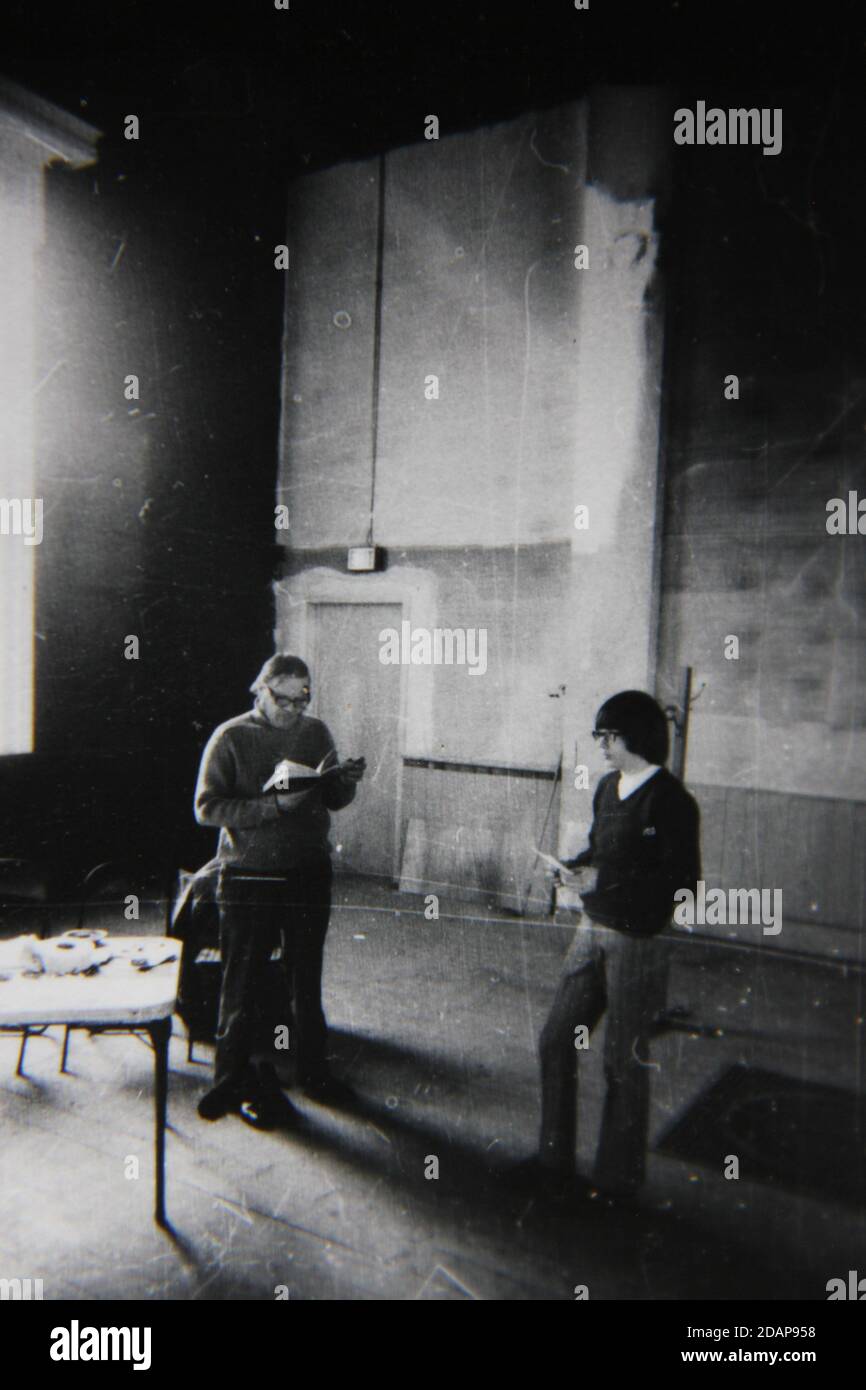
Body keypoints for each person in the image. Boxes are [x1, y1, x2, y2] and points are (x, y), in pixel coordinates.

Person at [532, 689, 700, 1200]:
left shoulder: (671, 801)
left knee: (622, 1060)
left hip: (638, 941)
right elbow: (602, 850)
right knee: (556, 1039)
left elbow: (681, 883)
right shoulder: (608, 787)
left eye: (610, 735)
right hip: (593, 930)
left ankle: (617, 1185)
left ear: (640, 737)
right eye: (599, 735)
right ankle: (553, 1161)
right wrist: (575, 866)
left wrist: (601, 882)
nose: (602, 744)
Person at [193, 653, 365, 1129]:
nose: (294, 709)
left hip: (307, 871)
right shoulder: (232, 736)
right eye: (283, 698)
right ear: (260, 690)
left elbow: (332, 798)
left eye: (302, 698)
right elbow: (206, 808)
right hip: (250, 876)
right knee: (242, 982)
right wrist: (273, 807)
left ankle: (313, 1072)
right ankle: (230, 1079)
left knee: (305, 978)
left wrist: (344, 785)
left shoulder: (316, 733)